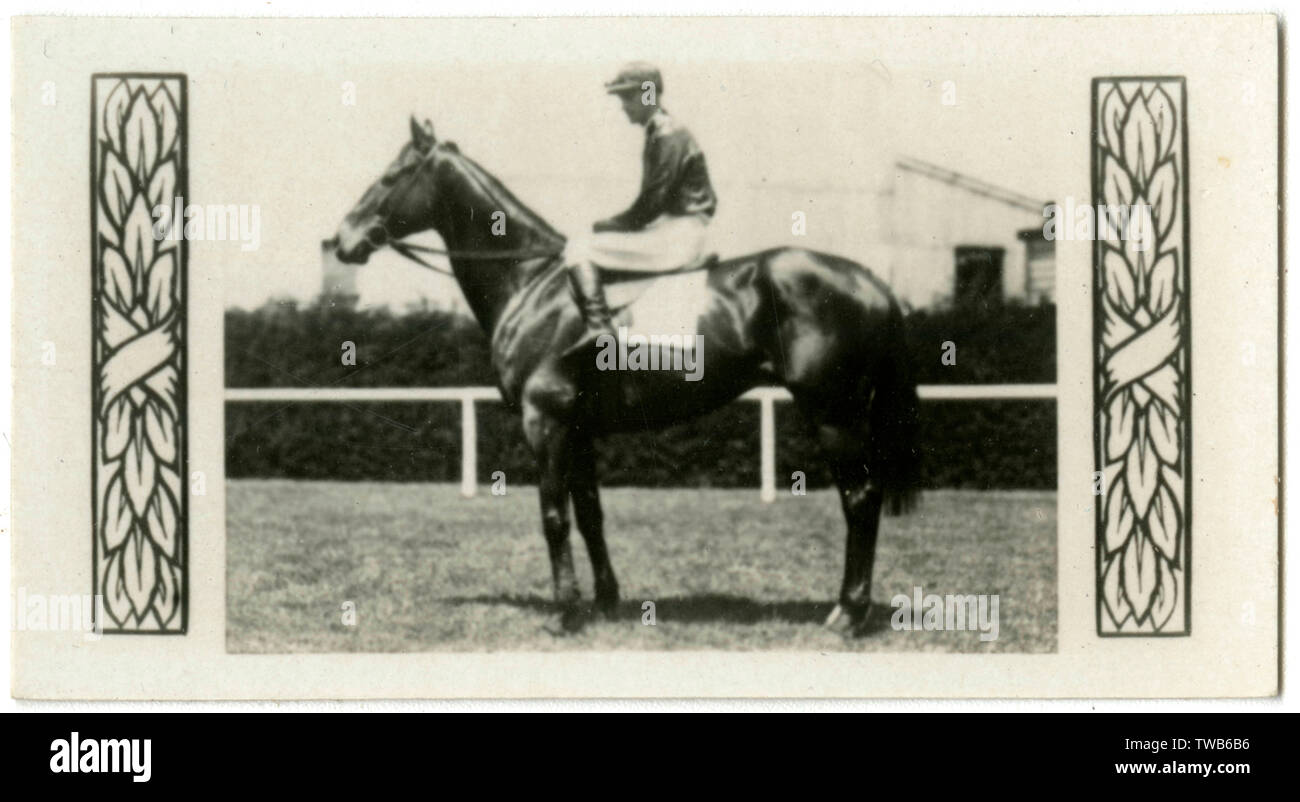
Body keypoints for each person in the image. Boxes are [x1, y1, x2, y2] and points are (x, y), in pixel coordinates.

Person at [565, 62, 719, 354]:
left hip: (678, 232)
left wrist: (611, 224)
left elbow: (651, 204)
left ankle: (599, 330)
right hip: (673, 227)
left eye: (628, 97)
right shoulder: (659, 131)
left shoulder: (668, 135)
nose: (623, 107)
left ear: (648, 93)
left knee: (580, 248)